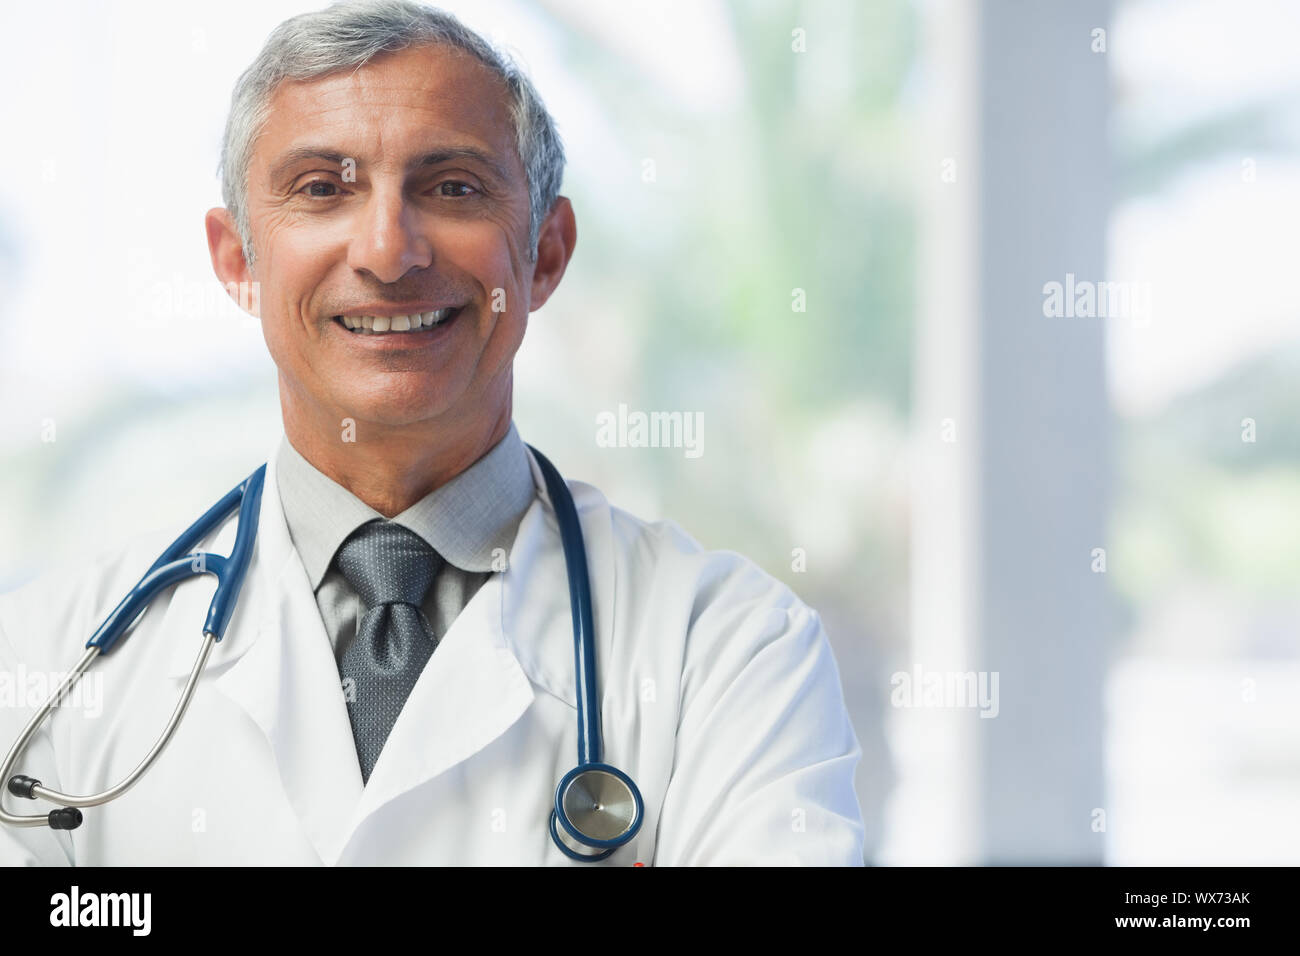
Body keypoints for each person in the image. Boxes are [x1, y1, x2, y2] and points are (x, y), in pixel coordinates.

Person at [0, 0, 865, 865]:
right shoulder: (47, 660)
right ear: (239, 264)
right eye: (322, 189)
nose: (387, 251)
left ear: (546, 253)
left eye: (452, 187)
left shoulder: (729, 650)